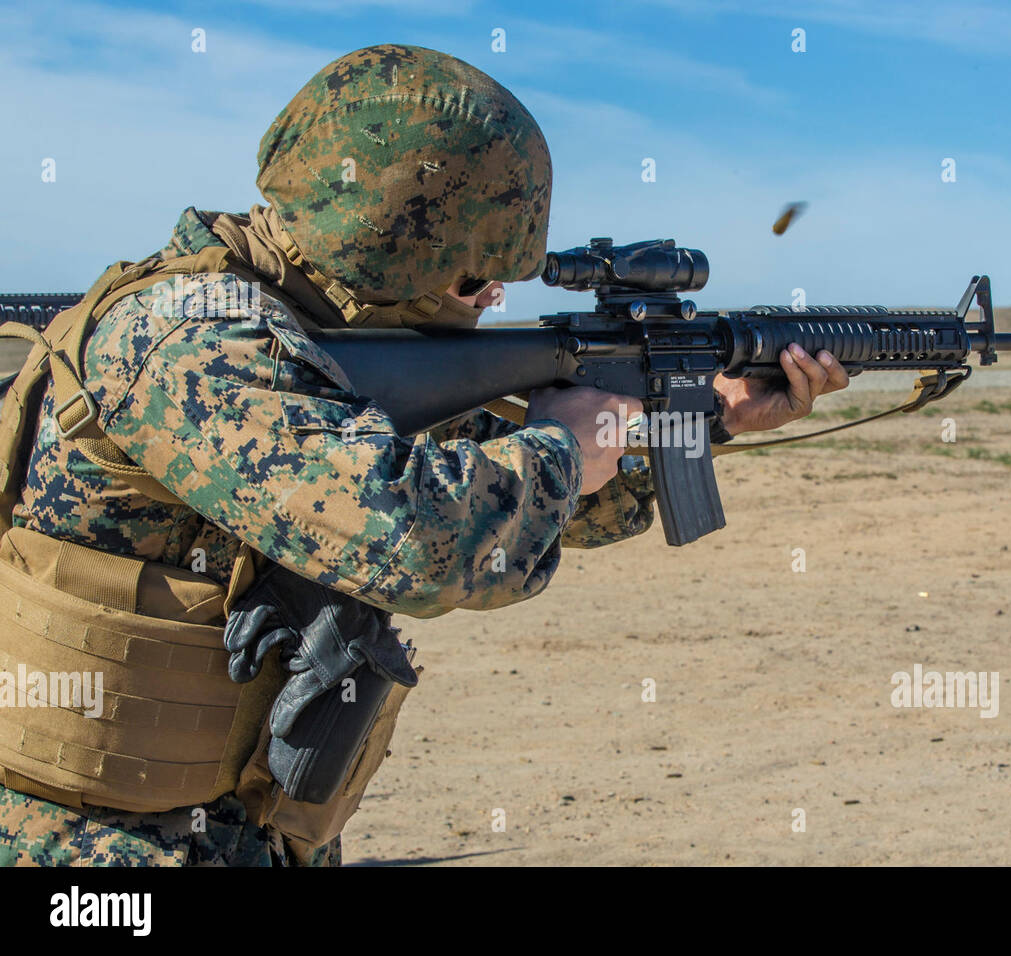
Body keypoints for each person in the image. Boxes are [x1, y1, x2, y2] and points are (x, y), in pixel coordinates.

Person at [0, 44, 846, 866]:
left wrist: (709, 423)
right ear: (395, 248)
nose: (491, 301)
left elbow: (520, 489)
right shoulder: (189, 339)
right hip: (83, 846)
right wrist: (558, 448)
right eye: (475, 280)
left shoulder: (334, 336)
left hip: (231, 825)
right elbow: (410, 539)